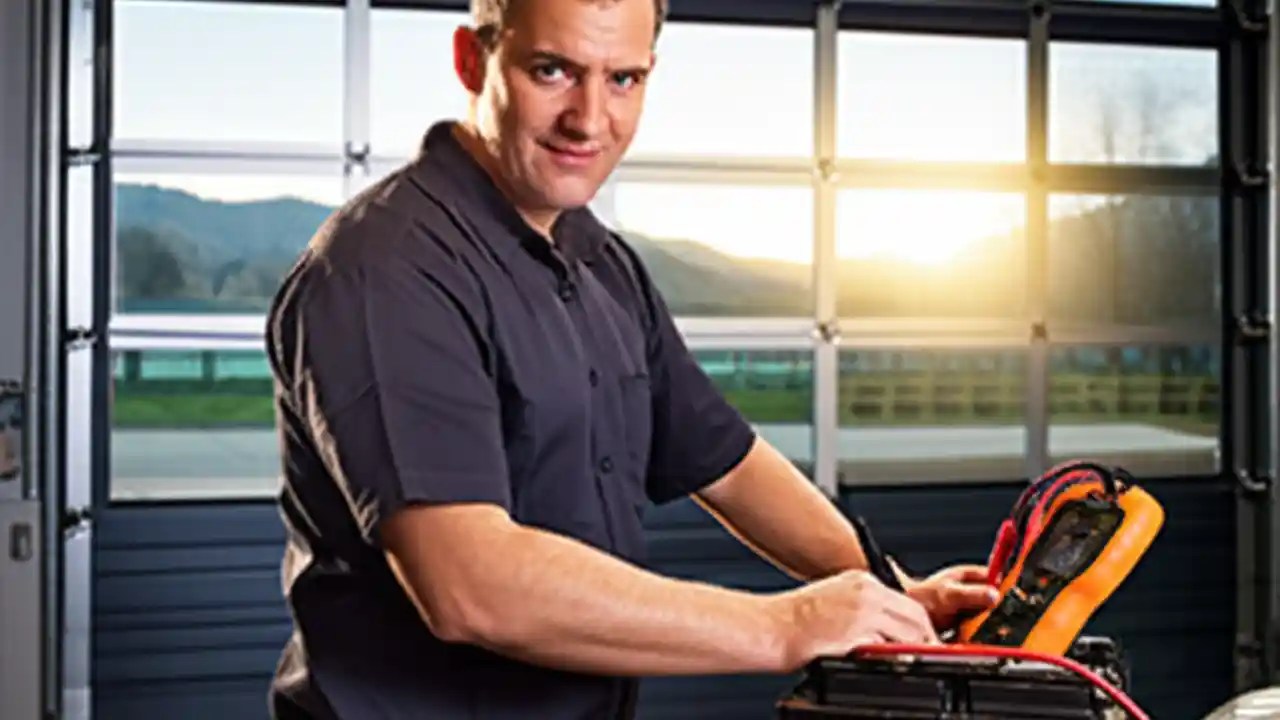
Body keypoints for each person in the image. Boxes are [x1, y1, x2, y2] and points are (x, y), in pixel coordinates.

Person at [263, 0, 999, 717]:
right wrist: (788, 625)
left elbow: (728, 462)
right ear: (471, 59)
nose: (590, 118)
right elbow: (469, 586)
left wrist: (891, 589)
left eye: (623, 79)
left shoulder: (600, 261)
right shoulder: (383, 270)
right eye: (552, 71)